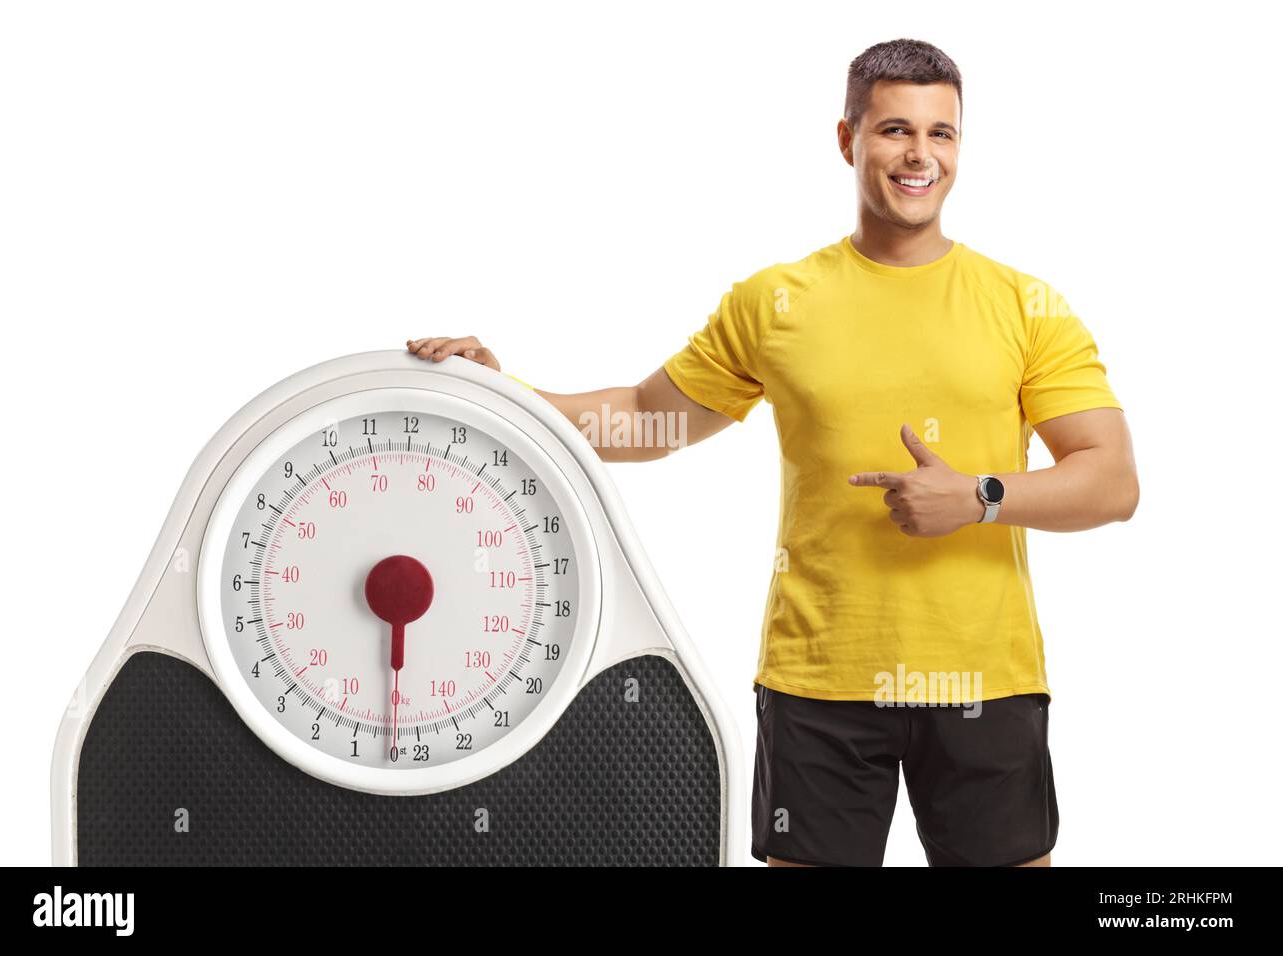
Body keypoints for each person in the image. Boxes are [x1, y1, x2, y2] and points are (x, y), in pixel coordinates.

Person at [405, 37, 1139, 867]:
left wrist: (981, 498)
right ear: (847, 138)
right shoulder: (777, 302)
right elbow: (650, 419)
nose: (920, 156)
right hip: (817, 680)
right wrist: (506, 396)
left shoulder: (1026, 307)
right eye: (897, 129)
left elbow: (1110, 480)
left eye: (942, 134)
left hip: (984, 682)